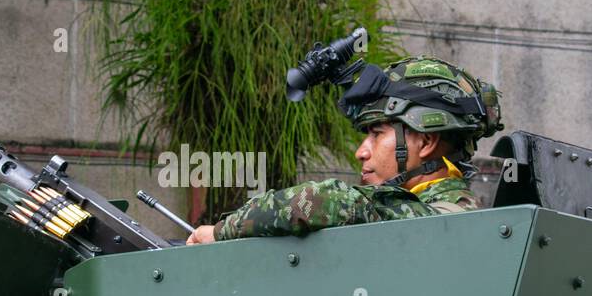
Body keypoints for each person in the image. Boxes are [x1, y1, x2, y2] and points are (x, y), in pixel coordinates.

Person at [184, 56, 502, 244]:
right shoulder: (432, 208)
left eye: (377, 134)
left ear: (426, 141)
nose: (361, 152)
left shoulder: (450, 214)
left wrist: (221, 231)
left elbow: (326, 201)